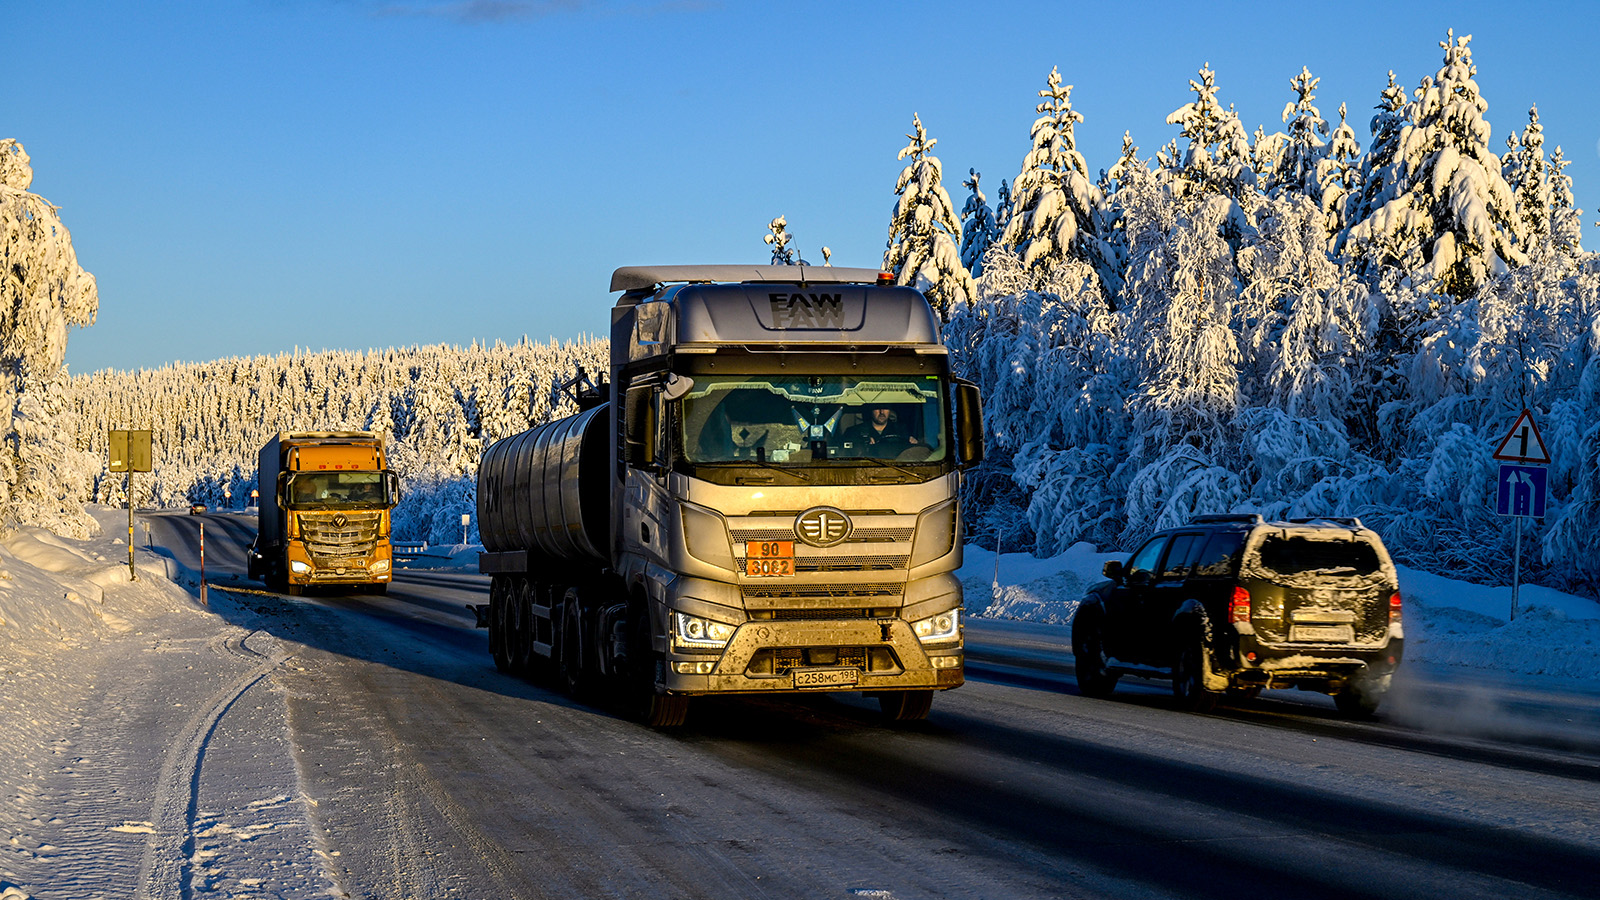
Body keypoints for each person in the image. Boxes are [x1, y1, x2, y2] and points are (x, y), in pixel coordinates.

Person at [841, 406, 918, 455]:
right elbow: (845, 455)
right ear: (871, 410)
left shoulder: (902, 430)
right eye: (877, 408)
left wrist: (914, 445)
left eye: (885, 408)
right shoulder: (853, 432)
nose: (882, 412)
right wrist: (862, 445)